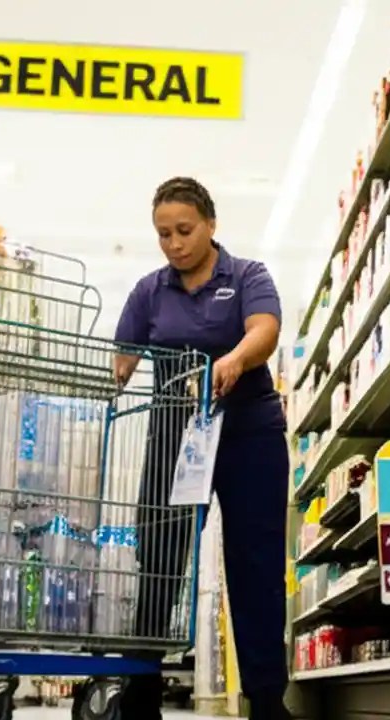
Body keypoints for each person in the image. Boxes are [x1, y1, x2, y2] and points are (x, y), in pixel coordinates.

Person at [111, 177, 290, 719]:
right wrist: (109, 381)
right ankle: (141, 691)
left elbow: (266, 329)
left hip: (249, 435)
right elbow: (123, 359)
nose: (173, 243)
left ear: (210, 224)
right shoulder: (149, 291)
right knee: (159, 560)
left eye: (184, 230)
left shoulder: (248, 276)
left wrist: (235, 359)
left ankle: (265, 699)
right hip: (174, 436)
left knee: (254, 564)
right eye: (163, 234)